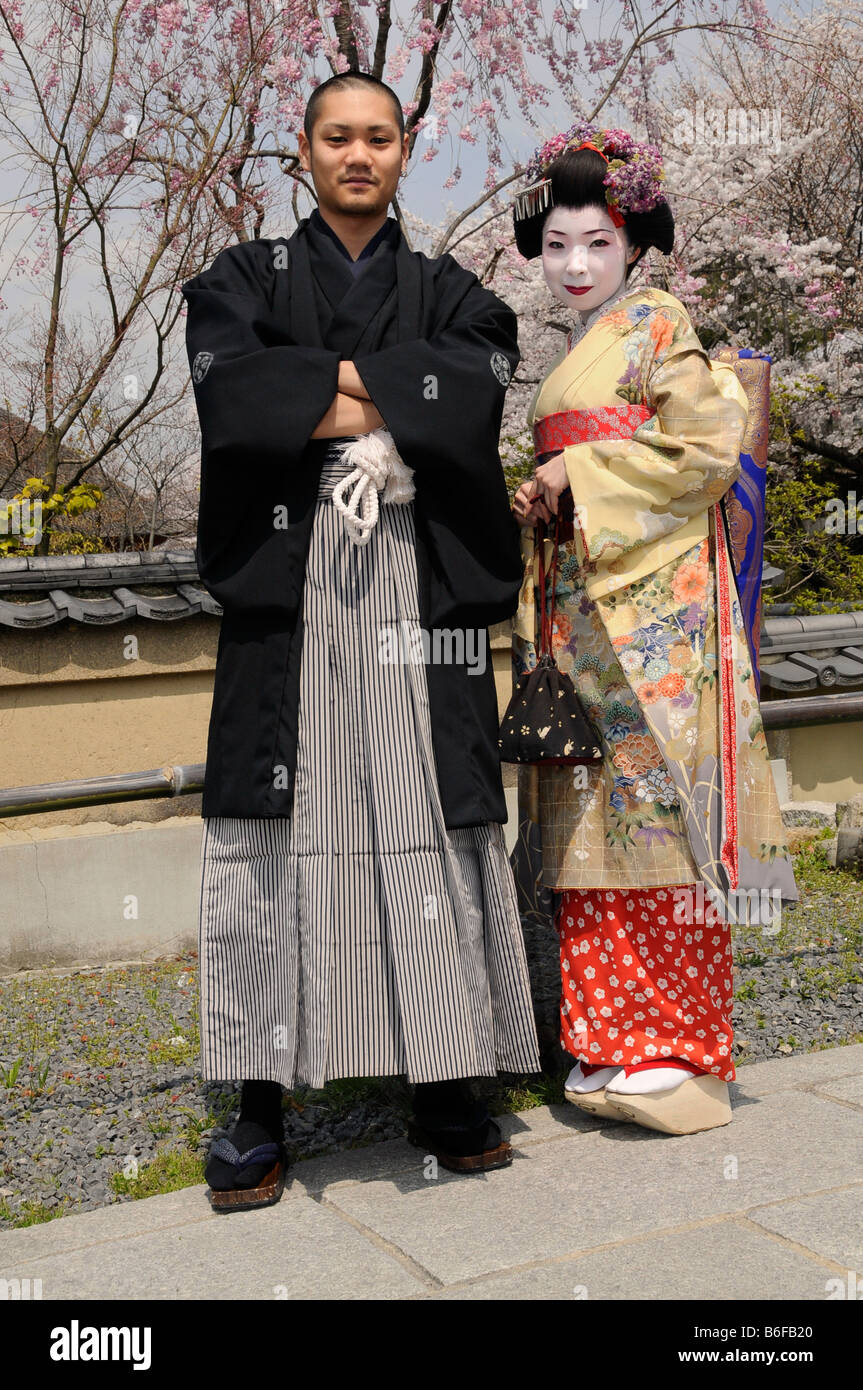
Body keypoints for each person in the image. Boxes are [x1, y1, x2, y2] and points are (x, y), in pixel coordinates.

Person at [181, 70, 541, 1208]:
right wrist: (393, 393)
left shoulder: (451, 288)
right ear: (305, 147)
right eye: (336, 135)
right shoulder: (239, 277)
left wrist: (318, 391)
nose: (357, 153)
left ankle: (441, 1080)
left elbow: (477, 386)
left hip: (412, 575)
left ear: (402, 151)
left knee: (424, 816)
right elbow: (233, 397)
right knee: (279, 825)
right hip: (293, 588)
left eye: (377, 137)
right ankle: (256, 1098)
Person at [510, 125, 798, 1135]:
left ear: (631, 245)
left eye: (594, 242)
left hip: (655, 619)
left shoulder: (657, 322)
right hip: (586, 609)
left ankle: (678, 1051)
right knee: (589, 821)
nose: (574, 264)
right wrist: (547, 498)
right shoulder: (578, 352)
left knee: (657, 818)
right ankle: (605, 1042)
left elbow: (707, 445)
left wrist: (577, 473)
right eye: (556, 245)